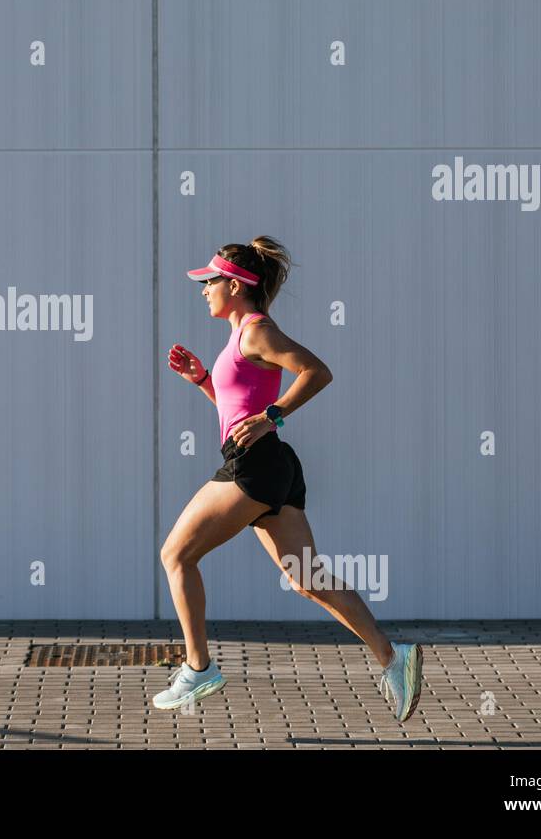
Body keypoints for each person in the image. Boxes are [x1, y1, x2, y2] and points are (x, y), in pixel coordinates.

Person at [156, 236, 422, 721]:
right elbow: (238, 413)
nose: (203, 290)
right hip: (272, 464)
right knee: (307, 578)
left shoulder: (257, 331)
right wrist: (203, 381)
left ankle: (199, 668)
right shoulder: (241, 336)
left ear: (234, 285)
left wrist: (273, 415)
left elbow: (317, 372)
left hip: (254, 467)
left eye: (209, 281)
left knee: (176, 554)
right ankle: (392, 657)